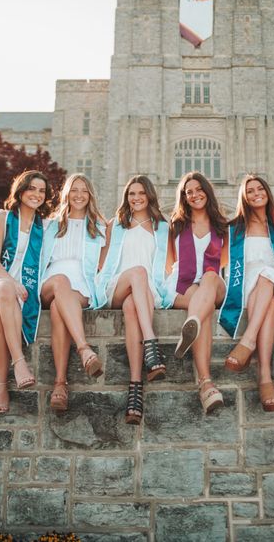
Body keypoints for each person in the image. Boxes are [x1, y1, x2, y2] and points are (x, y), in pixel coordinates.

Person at [219, 174, 274, 411]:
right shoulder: (233, 229)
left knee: (267, 276)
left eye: (259, 189)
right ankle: (264, 376)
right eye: (250, 191)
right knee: (269, 302)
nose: (256, 194)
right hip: (243, 284)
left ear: (267, 192)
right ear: (244, 197)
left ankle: (248, 342)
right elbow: (223, 263)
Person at [0, 170, 52, 413]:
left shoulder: (46, 227)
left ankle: (1, 386)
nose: (36, 195)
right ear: (21, 190)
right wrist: (13, 283)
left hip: (22, 294)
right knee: (6, 290)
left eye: (41, 191)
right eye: (32, 189)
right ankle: (19, 362)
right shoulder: (3, 217)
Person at [96, 175, 169, 425]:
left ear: (149, 195)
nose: (136, 198)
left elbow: (170, 265)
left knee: (132, 307)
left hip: (146, 292)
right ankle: (151, 342)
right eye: (131, 194)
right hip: (116, 285)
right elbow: (101, 260)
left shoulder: (163, 227)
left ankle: (135, 389)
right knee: (137, 271)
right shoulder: (115, 224)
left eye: (140, 193)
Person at [40, 173, 106, 411]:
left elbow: (105, 266)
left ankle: (60, 385)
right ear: (66, 193)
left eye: (84, 191)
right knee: (60, 281)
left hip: (82, 288)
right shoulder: (49, 225)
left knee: (60, 306)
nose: (79, 195)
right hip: (50, 283)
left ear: (90, 195)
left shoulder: (99, 228)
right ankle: (83, 348)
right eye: (74, 190)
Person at [163, 171, 227, 414]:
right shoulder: (175, 226)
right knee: (204, 306)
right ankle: (206, 383)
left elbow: (225, 261)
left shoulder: (222, 225)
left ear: (207, 191)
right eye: (189, 192)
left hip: (213, 282)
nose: (195, 195)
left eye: (199, 189)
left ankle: (192, 322)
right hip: (185, 284)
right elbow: (169, 262)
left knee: (210, 278)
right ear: (184, 197)